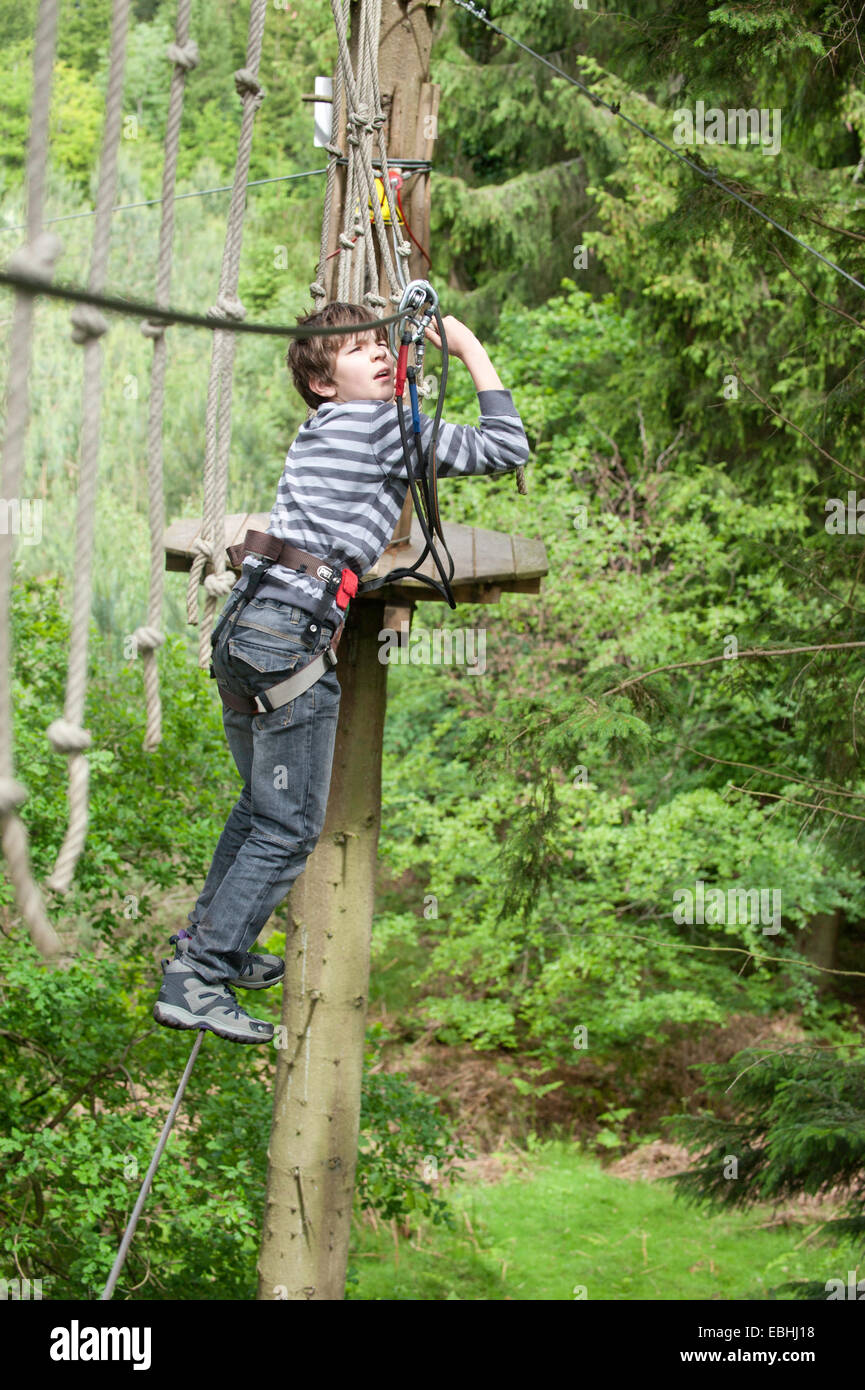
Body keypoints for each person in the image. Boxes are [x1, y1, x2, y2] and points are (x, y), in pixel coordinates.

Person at [153, 300, 530, 1043]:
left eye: (384, 348)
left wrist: (406, 362)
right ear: (324, 384)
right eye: (359, 352)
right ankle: (200, 976)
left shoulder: (329, 426)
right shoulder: (385, 426)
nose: (383, 358)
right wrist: (465, 348)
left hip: (249, 629)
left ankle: (205, 947)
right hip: (289, 636)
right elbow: (506, 447)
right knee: (290, 829)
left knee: (261, 811)